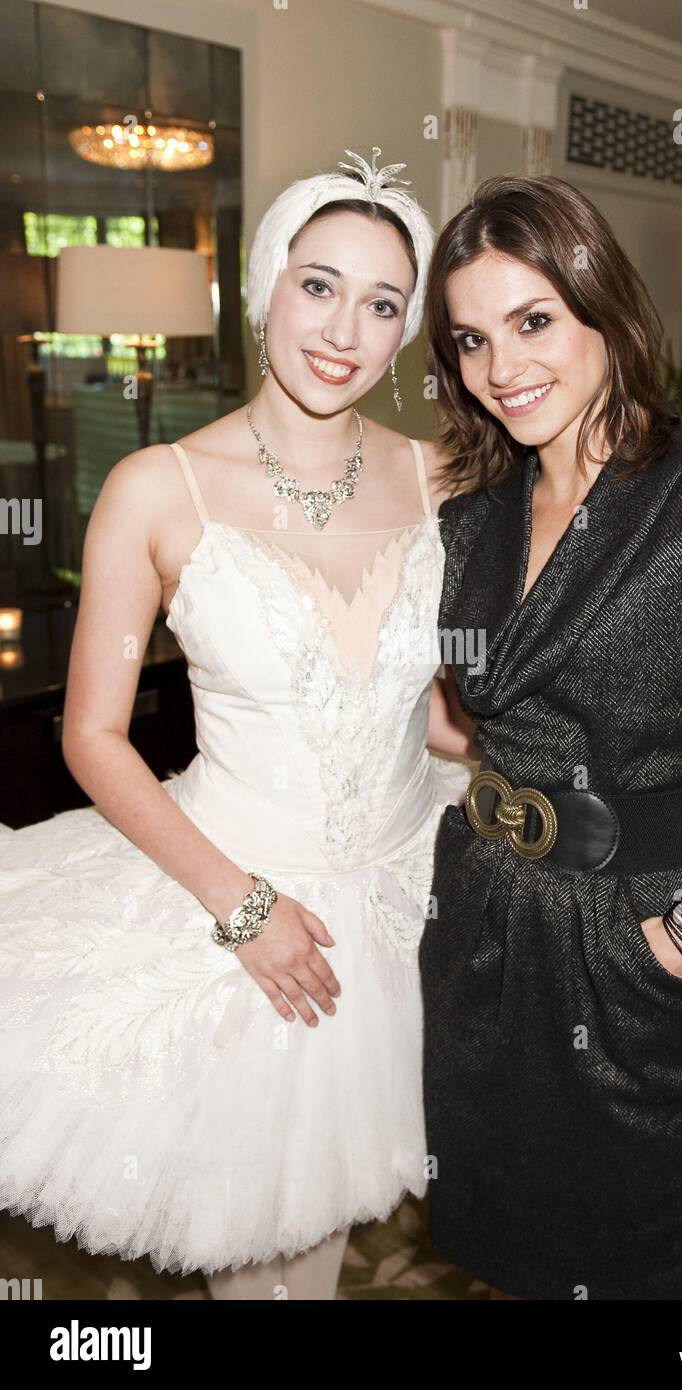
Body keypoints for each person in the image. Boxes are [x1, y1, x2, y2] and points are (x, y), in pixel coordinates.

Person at [0, 147, 473, 1301]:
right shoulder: (160, 488)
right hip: (240, 893)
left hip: (419, 897)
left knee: (333, 1226)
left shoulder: (447, 479)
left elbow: (445, 712)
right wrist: (240, 906)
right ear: (264, 286)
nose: (344, 330)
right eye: (318, 286)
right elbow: (94, 733)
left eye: (381, 303)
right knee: (263, 1255)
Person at [418, 174, 682, 1301]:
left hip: (633, 932)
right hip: (482, 917)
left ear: (604, 311)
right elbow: (467, 720)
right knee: (500, 1233)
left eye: (533, 322)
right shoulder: (472, 514)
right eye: (470, 337)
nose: (500, 366)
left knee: (625, 1253)